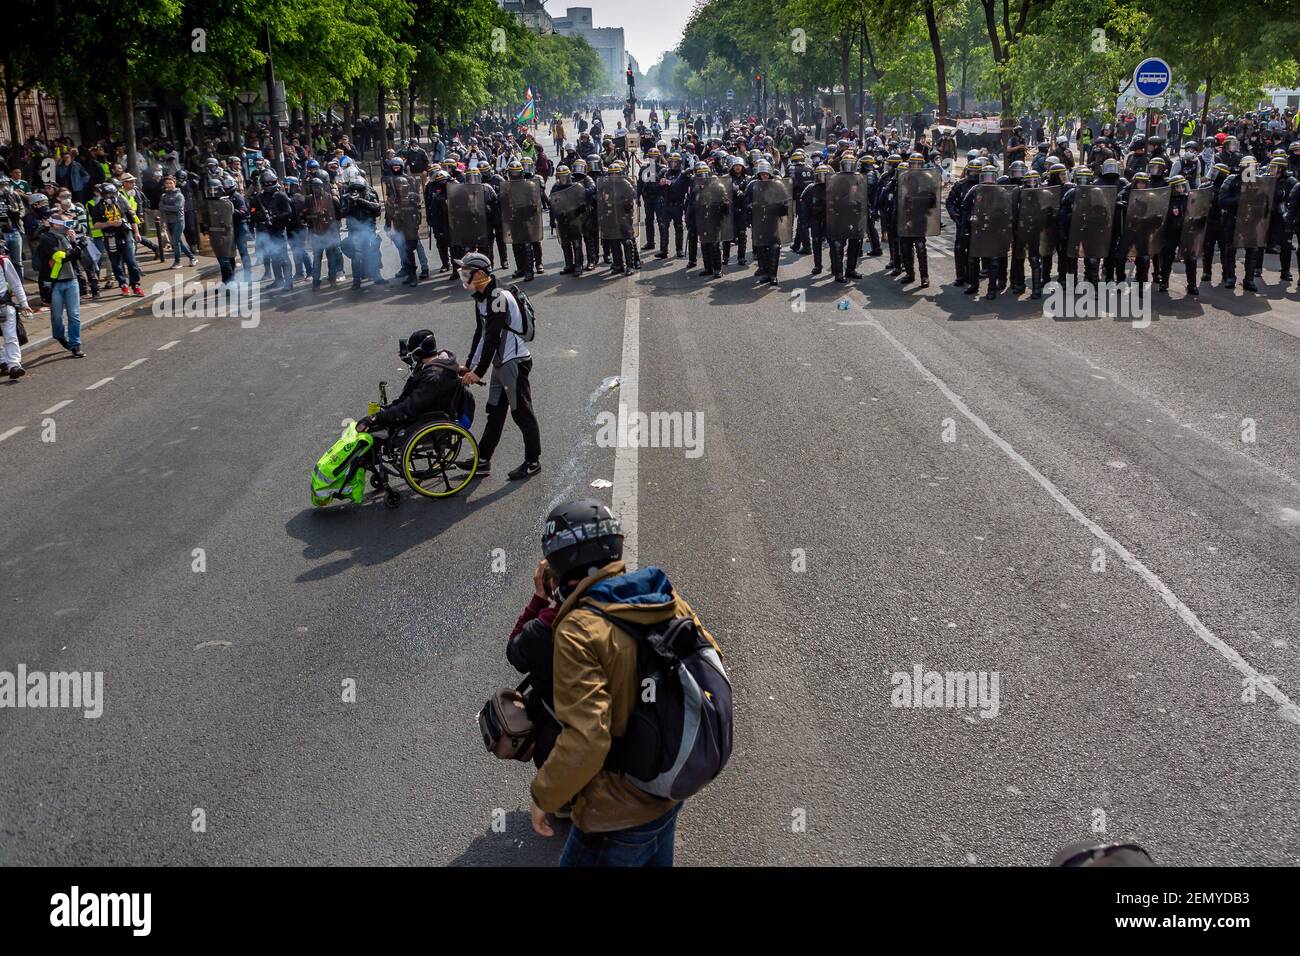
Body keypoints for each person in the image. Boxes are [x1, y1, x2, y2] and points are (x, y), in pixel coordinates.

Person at [527, 499, 721, 867]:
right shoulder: (661, 596)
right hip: (667, 785)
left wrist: (544, 795)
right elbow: (710, 658)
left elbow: (588, 738)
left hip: (615, 813)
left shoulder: (577, 629)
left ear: (561, 563)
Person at [454, 252, 541, 480]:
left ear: (480, 274)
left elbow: (492, 338)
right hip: (501, 363)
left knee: (522, 413)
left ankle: (533, 462)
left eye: (467, 274)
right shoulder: (481, 297)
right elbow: (479, 334)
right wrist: (469, 366)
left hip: (515, 363)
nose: (464, 278)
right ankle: (482, 461)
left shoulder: (498, 297)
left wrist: (478, 372)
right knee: (495, 411)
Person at [355, 329, 471, 436]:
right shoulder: (441, 364)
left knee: (372, 430)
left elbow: (409, 407)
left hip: (419, 419)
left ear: (417, 353)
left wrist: (375, 418)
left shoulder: (432, 377)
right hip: (424, 410)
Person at [35, 217, 86, 358]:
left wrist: (74, 241)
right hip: (55, 283)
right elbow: (59, 257)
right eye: (65, 223)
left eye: (70, 223)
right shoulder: (47, 239)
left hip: (71, 280)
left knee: (74, 315)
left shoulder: (67, 237)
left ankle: (76, 344)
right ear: (54, 224)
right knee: (57, 316)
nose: (69, 226)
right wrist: (78, 247)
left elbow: (77, 257)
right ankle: (59, 336)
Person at [0, 238, 32, 378]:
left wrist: (24, 303)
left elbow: (16, 283)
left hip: (4, 305)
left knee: (10, 336)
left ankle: (14, 365)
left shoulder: (3, 262)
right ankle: (3, 362)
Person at [159, 176, 197, 269]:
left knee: (175, 242)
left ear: (174, 183)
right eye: (167, 183)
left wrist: (165, 207)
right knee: (178, 242)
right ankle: (192, 258)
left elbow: (177, 208)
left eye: (170, 183)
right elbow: (160, 206)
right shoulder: (164, 195)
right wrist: (166, 208)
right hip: (169, 221)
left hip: (178, 221)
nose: (168, 185)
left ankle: (177, 261)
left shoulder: (179, 195)